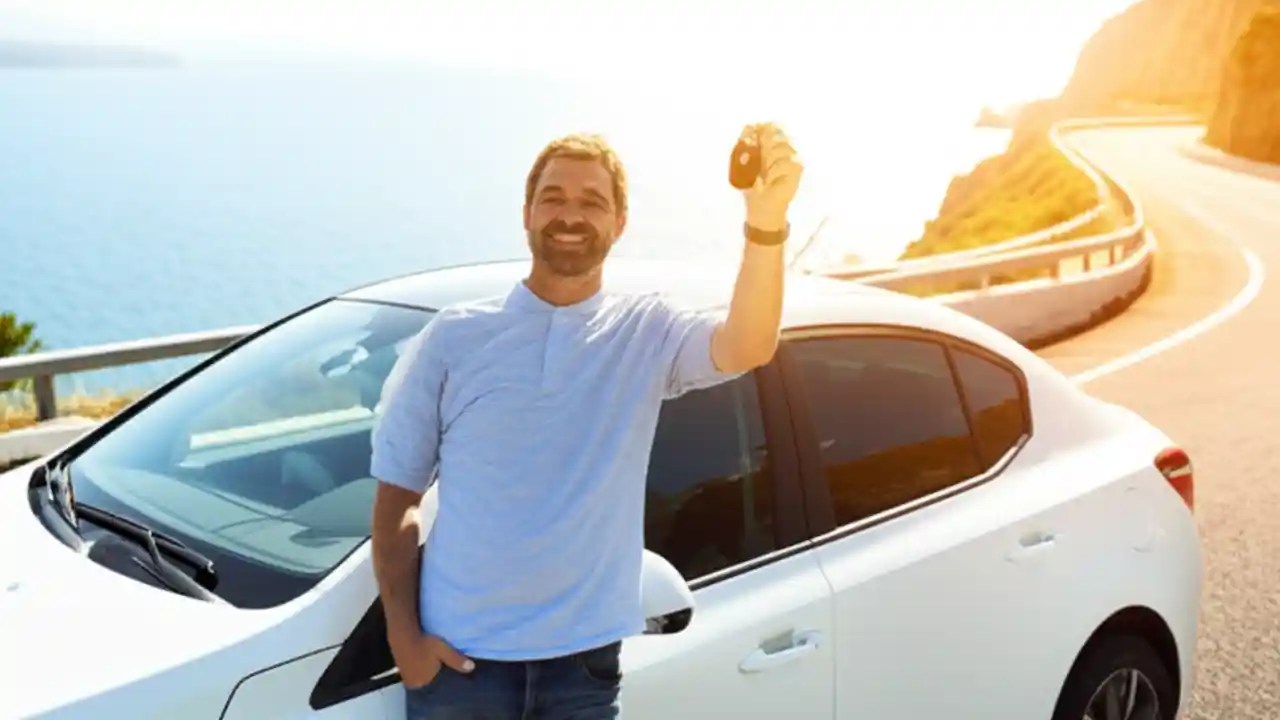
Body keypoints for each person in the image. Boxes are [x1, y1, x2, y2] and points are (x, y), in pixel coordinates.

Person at [369, 123, 803, 719]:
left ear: (619, 223)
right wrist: (404, 642)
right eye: (553, 198)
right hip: (458, 672)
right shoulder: (455, 337)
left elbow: (748, 344)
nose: (569, 216)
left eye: (592, 202)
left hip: (583, 675)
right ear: (526, 213)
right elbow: (397, 500)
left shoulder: (645, 332)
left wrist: (766, 225)